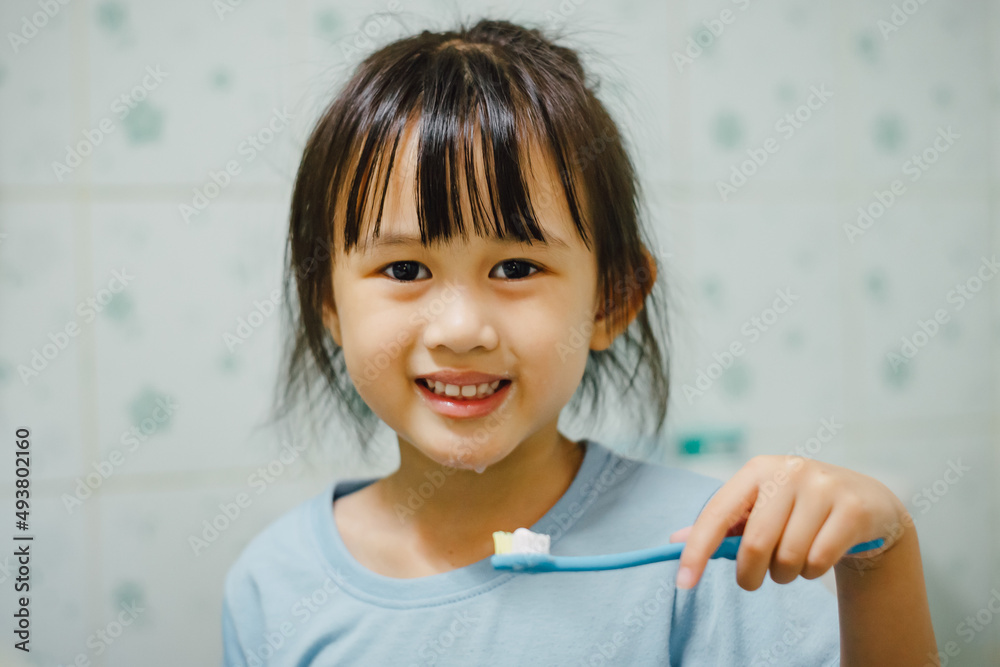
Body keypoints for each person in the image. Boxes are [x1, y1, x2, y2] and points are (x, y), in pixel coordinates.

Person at [221, 17, 936, 666]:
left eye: (516, 267)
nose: (462, 330)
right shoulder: (273, 585)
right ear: (330, 303)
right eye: (405, 269)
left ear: (612, 298)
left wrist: (884, 559)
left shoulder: (715, 548)